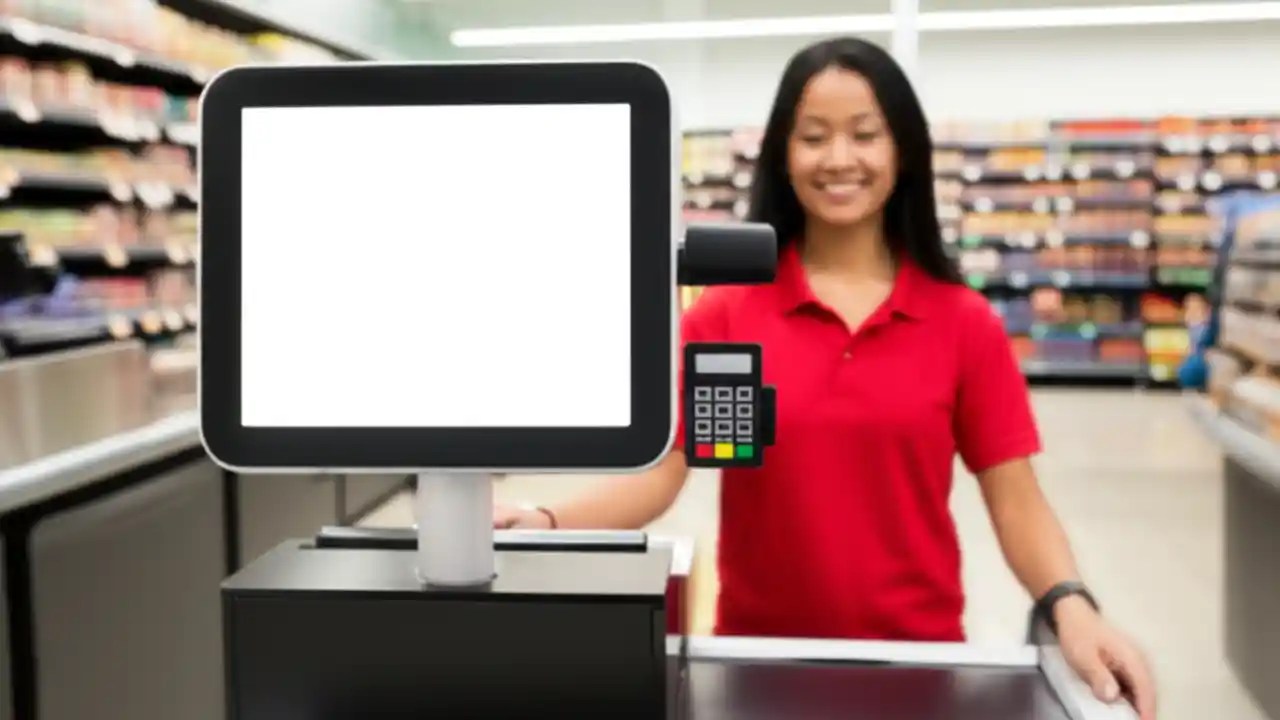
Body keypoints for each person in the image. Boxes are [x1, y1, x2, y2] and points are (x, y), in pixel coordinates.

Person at [495, 36, 1156, 719]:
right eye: (814, 137)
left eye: (864, 135)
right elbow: (664, 472)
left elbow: (1016, 501)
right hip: (757, 669)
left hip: (920, 669)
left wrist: (1072, 606)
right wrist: (546, 523)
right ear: (784, 154)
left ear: (903, 149)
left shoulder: (961, 322)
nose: (840, 158)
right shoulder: (731, 312)